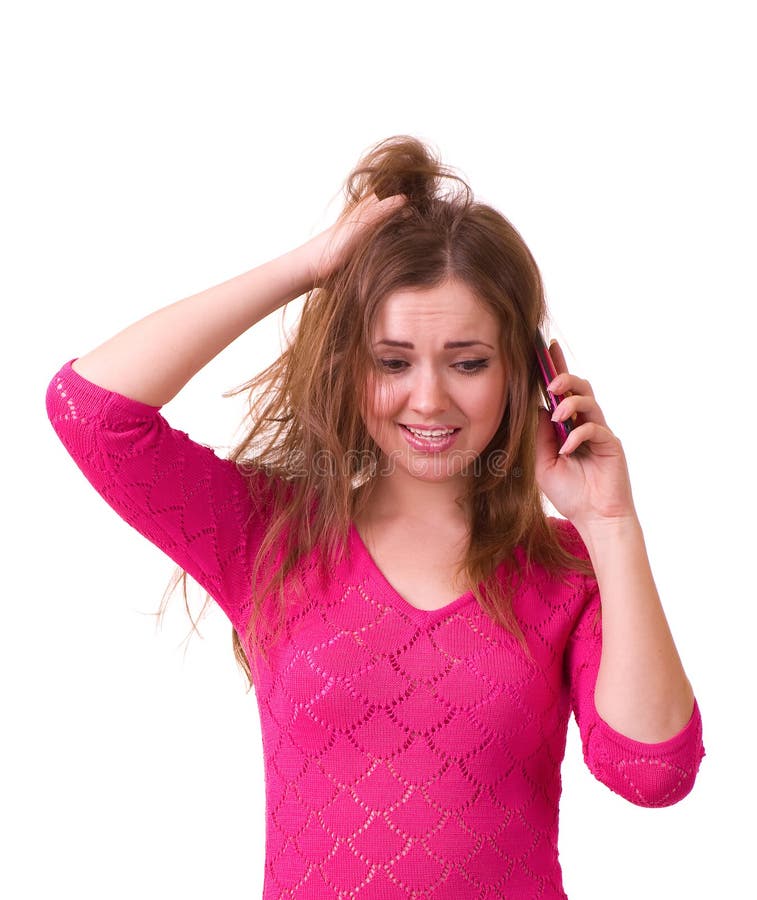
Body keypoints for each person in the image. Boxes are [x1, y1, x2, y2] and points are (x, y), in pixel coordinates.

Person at [46, 135, 705, 899]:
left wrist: (611, 523)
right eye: (392, 361)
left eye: (467, 361)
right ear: (348, 364)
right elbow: (88, 411)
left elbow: (650, 774)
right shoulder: (271, 539)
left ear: (530, 375)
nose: (428, 398)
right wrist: (310, 265)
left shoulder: (570, 569)